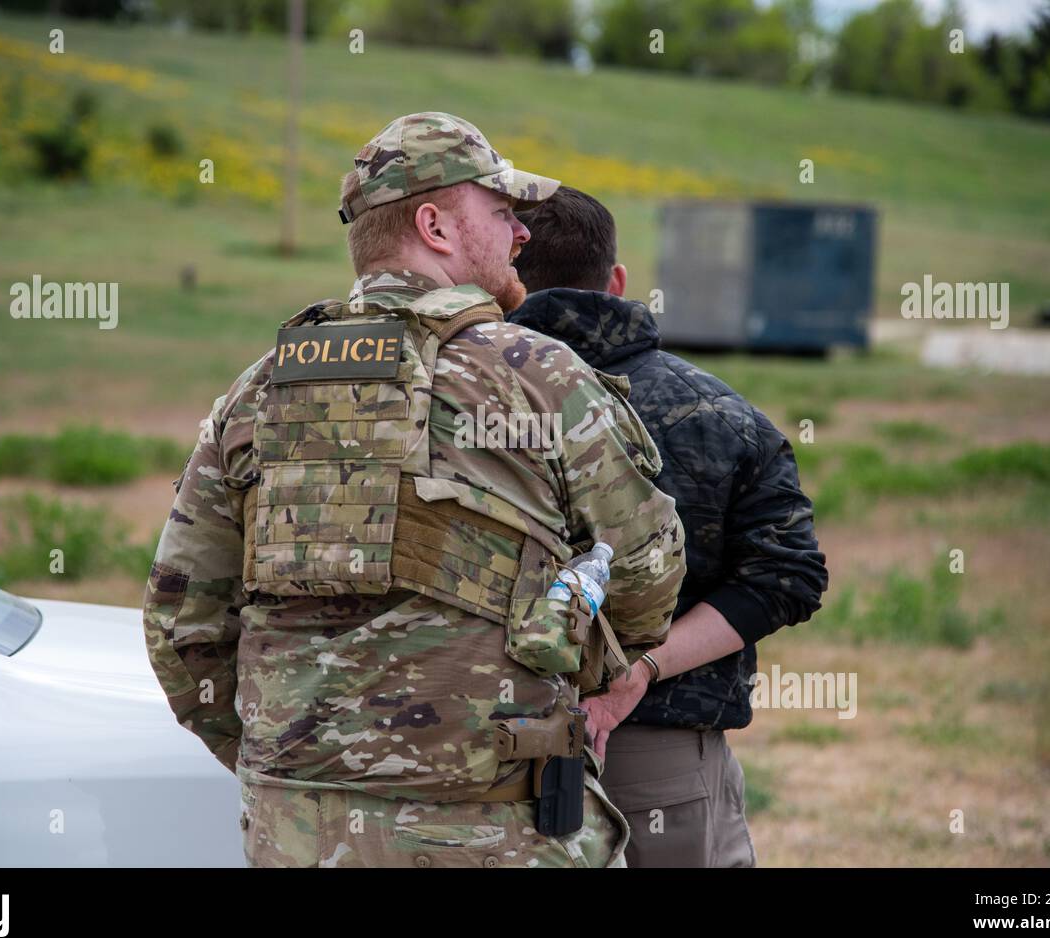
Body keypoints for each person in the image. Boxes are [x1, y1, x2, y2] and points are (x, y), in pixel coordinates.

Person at [142, 115, 686, 868]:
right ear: (434, 224)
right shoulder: (540, 375)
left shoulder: (256, 390)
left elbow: (181, 624)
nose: (521, 233)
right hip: (497, 834)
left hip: (298, 835)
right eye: (501, 212)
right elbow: (646, 578)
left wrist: (293, 770)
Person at [509, 186, 828, 867]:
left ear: (508, 279)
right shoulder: (721, 412)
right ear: (617, 280)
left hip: (475, 754)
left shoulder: (450, 399)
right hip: (656, 764)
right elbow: (790, 573)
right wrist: (643, 670)